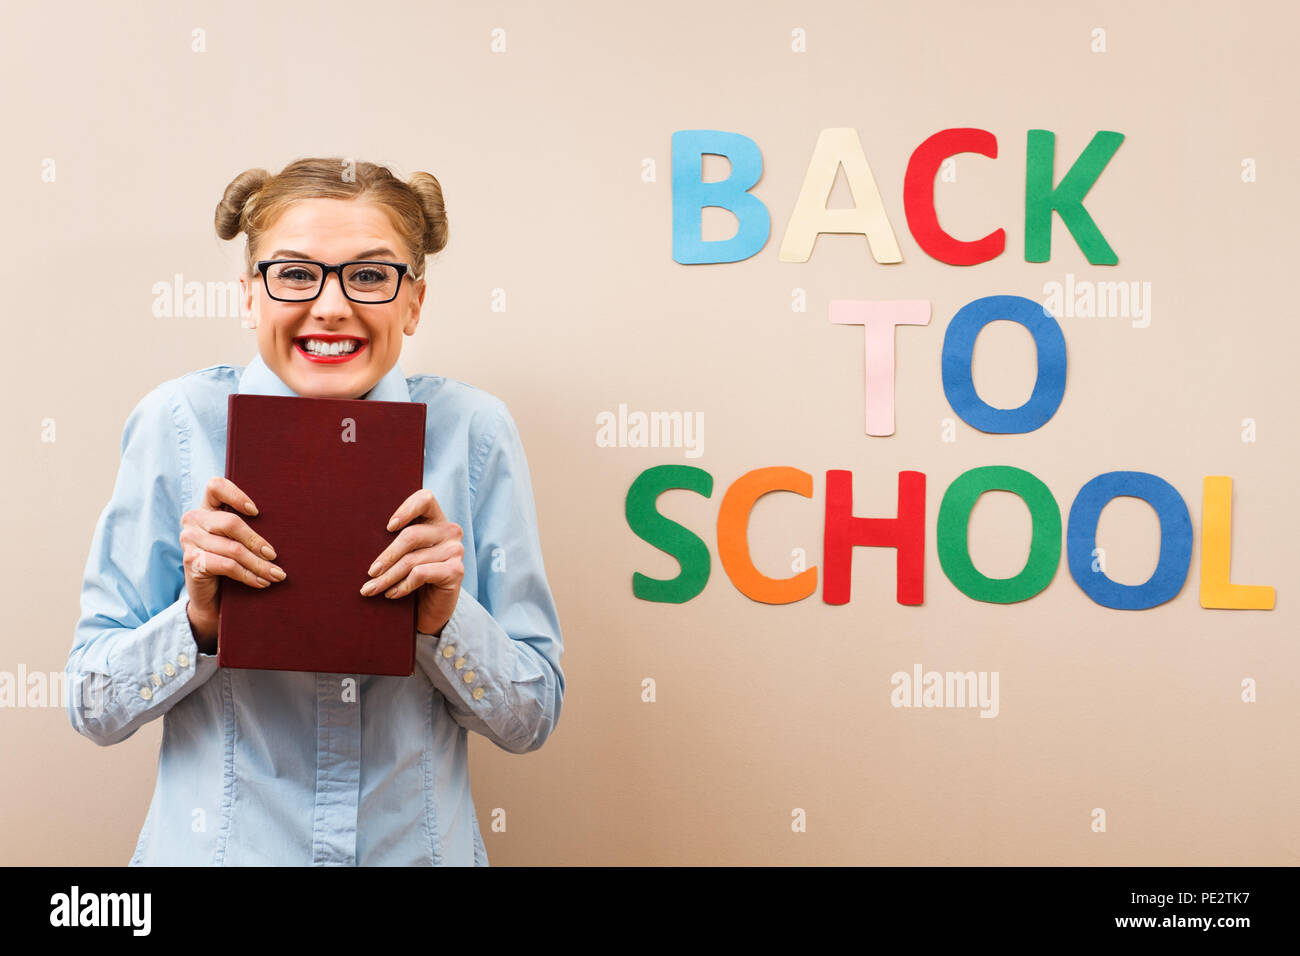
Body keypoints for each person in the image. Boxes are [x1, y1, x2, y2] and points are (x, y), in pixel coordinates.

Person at [66, 157, 565, 865]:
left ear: (414, 302)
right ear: (250, 295)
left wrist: (448, 621)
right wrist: (197, 621)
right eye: (296, 273)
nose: (331, 305)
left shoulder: (475, 434)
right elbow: (90, 703)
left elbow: (532, 716)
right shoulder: (175, 425)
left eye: (369, 275)